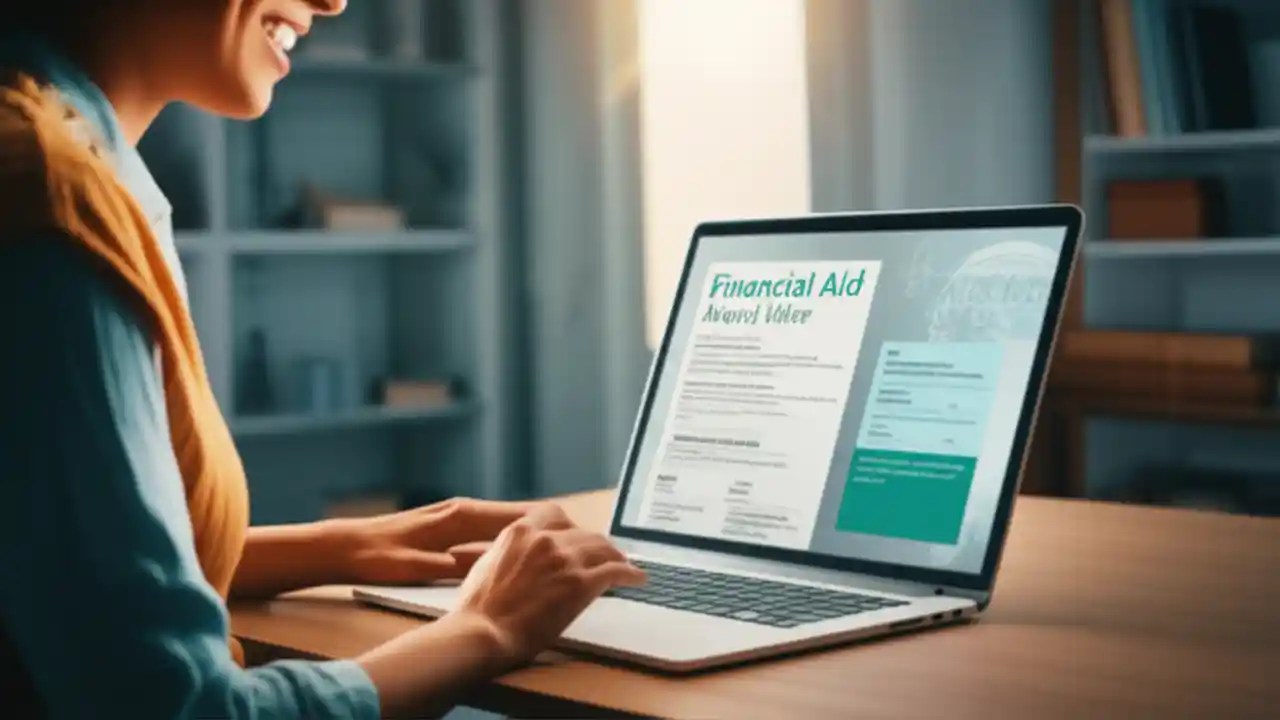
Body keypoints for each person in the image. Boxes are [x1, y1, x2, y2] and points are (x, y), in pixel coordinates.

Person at [0, 1, 645, 718]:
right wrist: (489, 627)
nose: (334, 2)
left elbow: (53, 559)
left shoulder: (58, 155)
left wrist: (343, 547)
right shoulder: (49, 199)